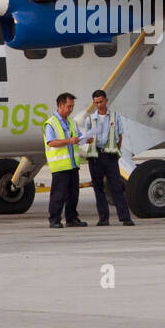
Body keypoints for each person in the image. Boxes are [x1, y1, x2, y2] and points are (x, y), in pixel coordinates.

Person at [81, 89, 133, 226]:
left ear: (106, 100)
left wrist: (115, 151)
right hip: (95, 156)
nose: (99, 105)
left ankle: (125, 217)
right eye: (96, 102)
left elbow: (119, 136)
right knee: (98, 188)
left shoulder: (115, 117)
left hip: (110, 156)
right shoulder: (90, 119)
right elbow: (87, 137)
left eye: (101, 101)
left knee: (116, 187)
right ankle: (103, 218)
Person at [43, 92, 86, 228]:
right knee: (58, 194)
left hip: (73, 164)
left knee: (73, 194)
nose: (71, 109)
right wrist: (69, 141)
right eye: (69, 106)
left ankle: (72, 218)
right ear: (60, 105)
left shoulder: (72, 122)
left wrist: (85, 138)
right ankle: (54, 219)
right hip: (60, 165)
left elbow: (77, 137)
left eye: (72, 106)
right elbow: (51, 143)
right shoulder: (50, 123)